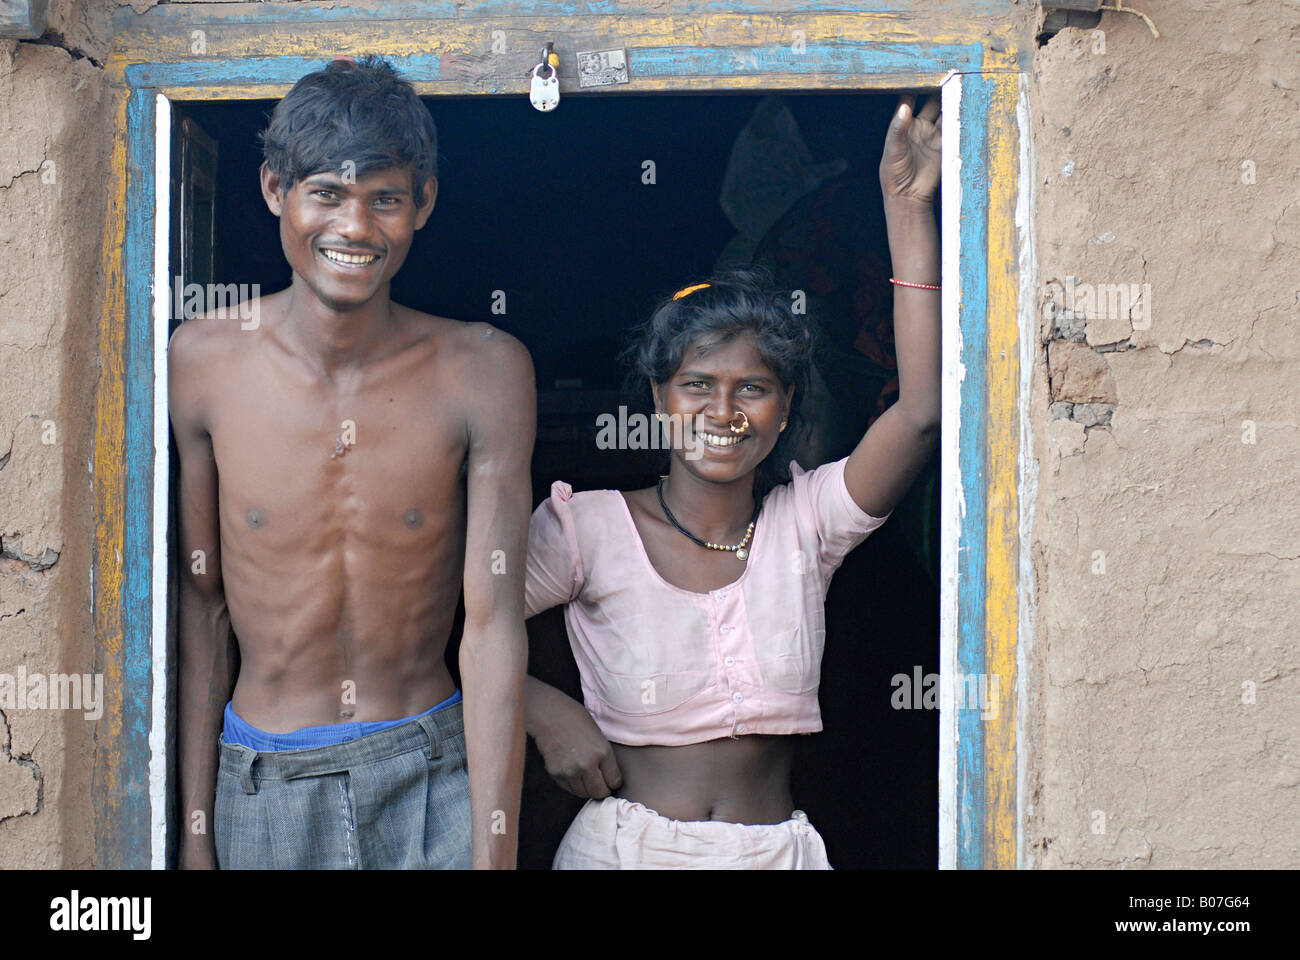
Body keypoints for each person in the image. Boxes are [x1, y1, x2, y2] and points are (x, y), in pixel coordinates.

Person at [523, 95, 941, 868]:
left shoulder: (806, 525)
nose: (723, 410)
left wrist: (906, 207)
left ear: (784, 411)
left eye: (752, 389)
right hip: (624, 852)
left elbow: (920, 413)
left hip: (776, 853)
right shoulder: (585, 528)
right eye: (696, 385)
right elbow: (434, 626)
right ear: (656, 398)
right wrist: (537, 705)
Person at [170, 57, 534, 869]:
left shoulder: (485, 369)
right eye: (326, 194)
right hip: (263, 783)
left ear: (424, 202)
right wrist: (194, 836)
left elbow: (492, 622)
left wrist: (494, 850)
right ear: (275, 191)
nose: (356, 228)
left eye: (386, 199)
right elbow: (203, 611)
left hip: (433, 770)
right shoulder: (201, 363)